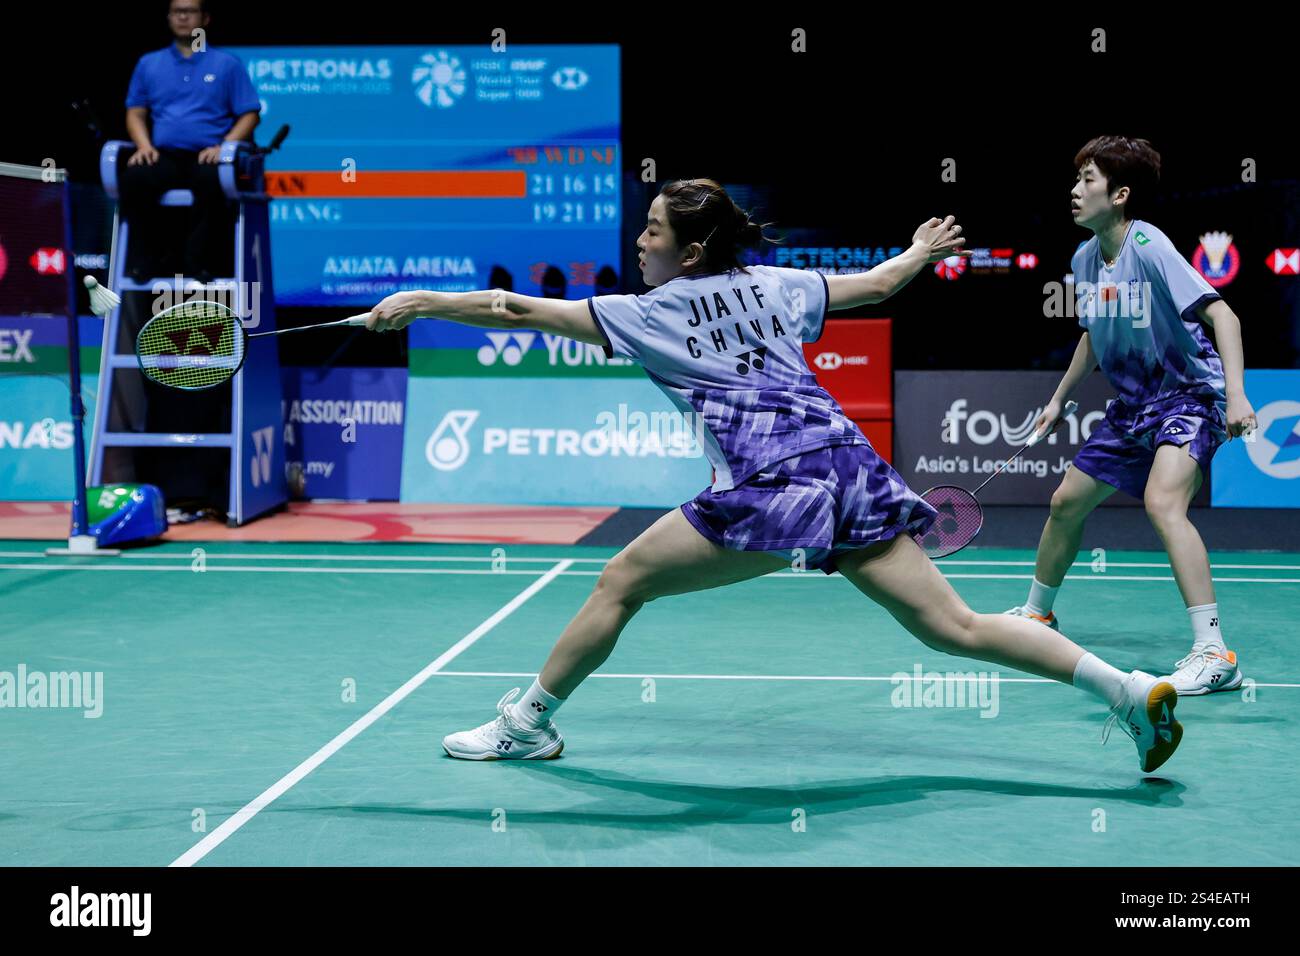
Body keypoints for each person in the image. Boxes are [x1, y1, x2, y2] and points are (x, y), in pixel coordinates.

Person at [365, 178, 1185, 773]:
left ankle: (528, 724)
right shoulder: (776, 286)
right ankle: (1127, 692)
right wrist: (920, 250)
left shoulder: (647, 312)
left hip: (773, 488)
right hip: (851, 468)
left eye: (653, 231)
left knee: (620, 581)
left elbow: (512, 310)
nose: (640, 241)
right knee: (956, 627)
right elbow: (879, 285)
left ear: (690, 250)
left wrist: (419, 300)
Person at [1004, 137, 1257, 697]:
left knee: (1162, 502)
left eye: (1088, 180)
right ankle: (1037, 615)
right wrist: (1060, 397)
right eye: (1075, 180)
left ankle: (1215, 653)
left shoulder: (1148, 243)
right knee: (1065, 502)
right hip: (1133, 407)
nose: (1075, 190)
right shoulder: (1083, 258)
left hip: (1190, 395)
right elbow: (1093, 336)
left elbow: (1225, 315)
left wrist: (1236, 395)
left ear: (1119, 194)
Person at [119, 0, 260, 283]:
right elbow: (135, 113)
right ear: (169, 18)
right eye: (176, 11)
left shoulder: (227, 64)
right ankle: (145, 262)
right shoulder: (149, 63)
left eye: (190, 10)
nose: (183, 16)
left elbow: (250, 115)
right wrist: (144, 146)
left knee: (212, 180)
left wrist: (225, 146)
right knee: (135, 178)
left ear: (205, 18)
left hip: (208, 154)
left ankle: (199, 264)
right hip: (165, 154)